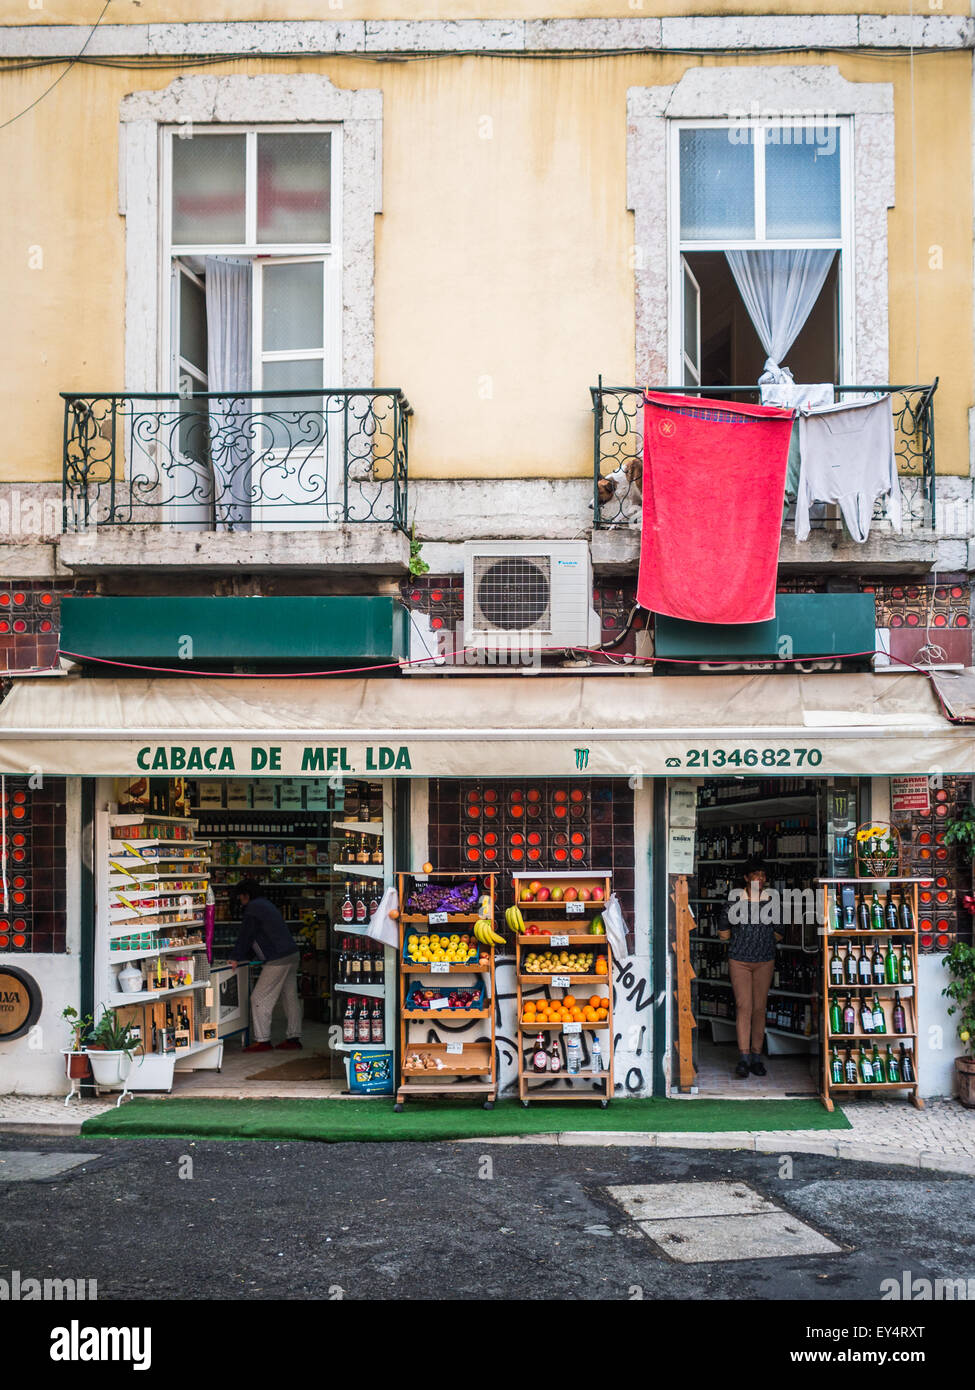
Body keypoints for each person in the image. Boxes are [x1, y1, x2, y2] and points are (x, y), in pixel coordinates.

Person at [717, 857, 783, 1080]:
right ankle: (744, 1057)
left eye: (763, 875)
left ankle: (756, 1056)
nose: (761, 879)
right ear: (746, 877)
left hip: (764, 960)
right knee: (744, 1007)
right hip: (740, 961)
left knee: (759, 1008)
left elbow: (780, 929)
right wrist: (752, 938)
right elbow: (723, 929)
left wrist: (758, 939)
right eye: (756, 874)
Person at [227, 878, 303, 1053]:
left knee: (259, 998)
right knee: (290, 997)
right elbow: (260, 937)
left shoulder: (253, 908)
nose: (240, 901)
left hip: (278, 958)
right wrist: (245, 956)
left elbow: (247, 936)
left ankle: (262, 1041)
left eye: (240, 897)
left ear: (246, 895)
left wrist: (235, 957)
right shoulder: (266, 905)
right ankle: (293, 1038)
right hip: (292, 954)